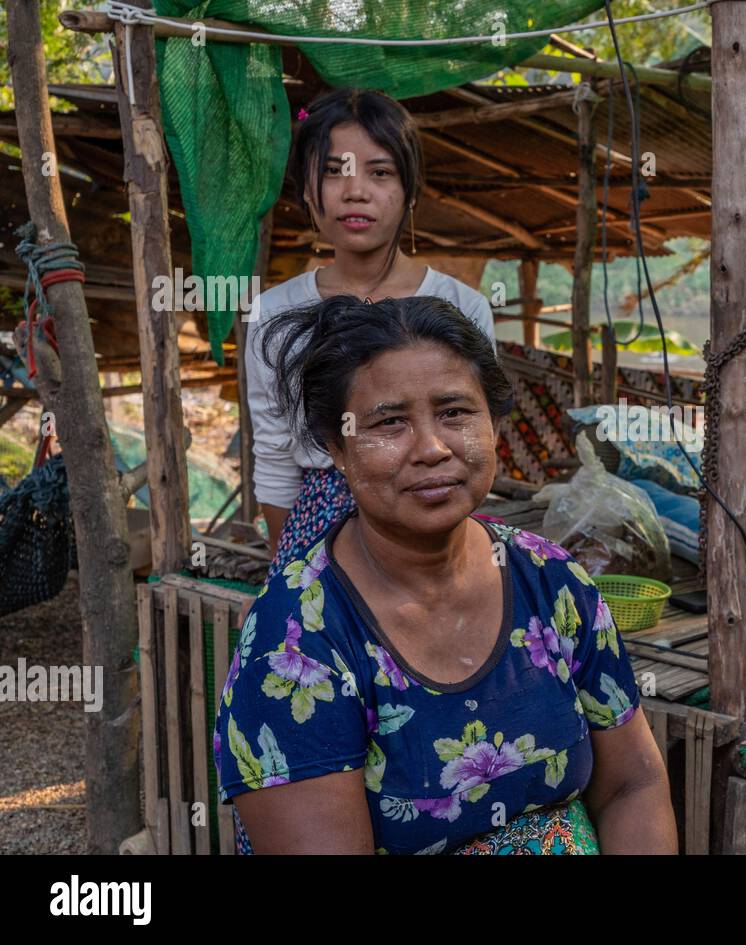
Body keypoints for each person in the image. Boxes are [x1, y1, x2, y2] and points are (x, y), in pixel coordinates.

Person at [215, 295, 676, 854]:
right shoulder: (295, 640)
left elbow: (634, 784)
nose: (432, 448)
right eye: (390, 422)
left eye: (455, 412)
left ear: (495, 424)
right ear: (336, 447)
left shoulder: (552, 582)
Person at [246, 87, 496, 578]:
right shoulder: (275, 314)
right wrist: (287, 579)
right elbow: (275, 455)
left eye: (379, 172)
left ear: (411, 191)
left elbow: (478, 436)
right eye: (333, 171)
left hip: (434, 508)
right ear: (306, 193)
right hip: (319, 529)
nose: (355, 190)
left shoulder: (463, 307)